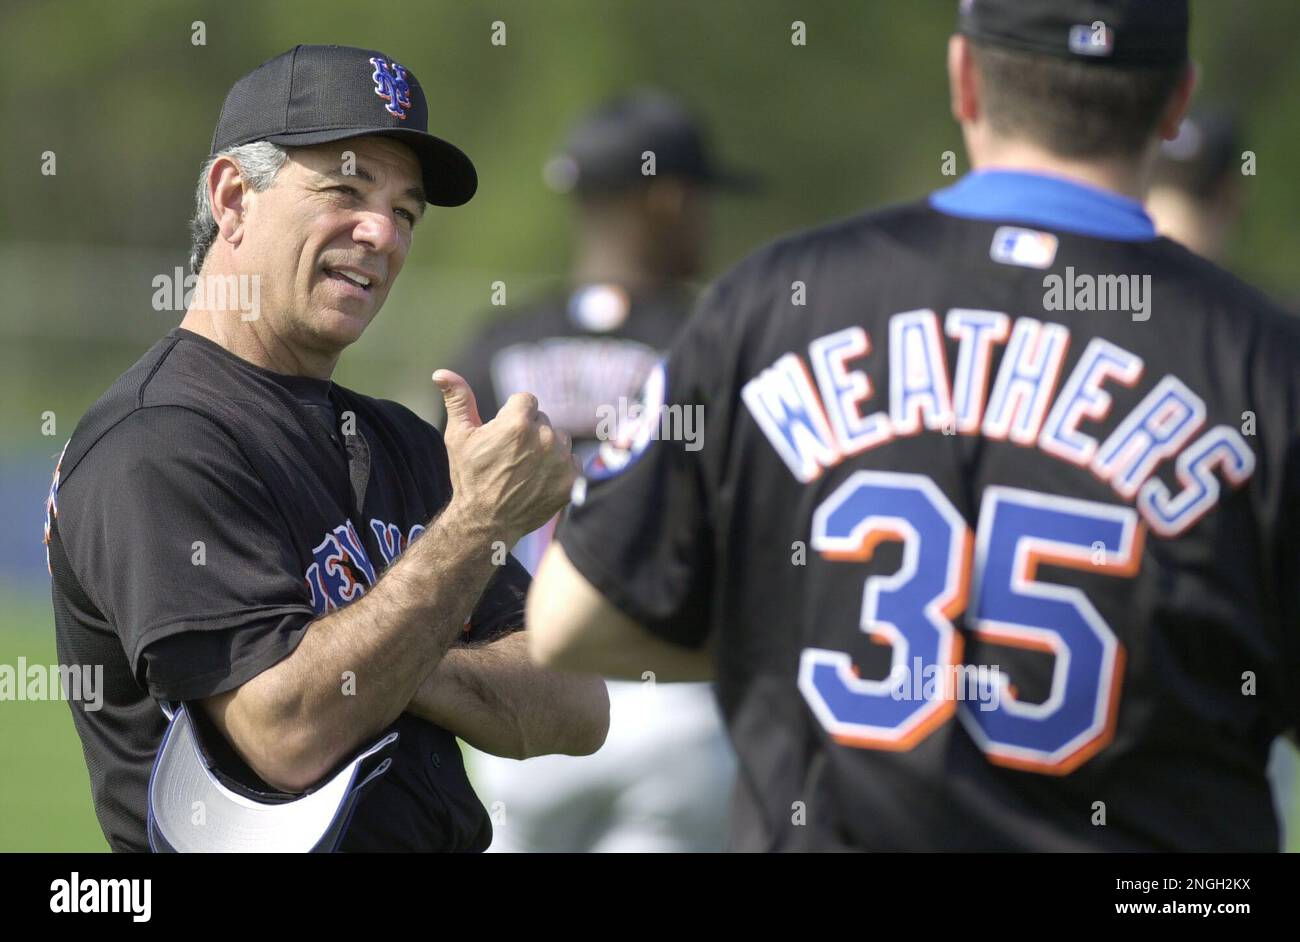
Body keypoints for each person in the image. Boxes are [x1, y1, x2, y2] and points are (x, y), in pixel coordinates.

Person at [527, 0, 1300, 851]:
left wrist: (820, 634)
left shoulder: (778, 298)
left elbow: (570, 620)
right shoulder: (1263, 361)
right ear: (1177, 101)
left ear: (964, 76)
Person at [46, 43, 607, 853]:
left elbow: (578, 707)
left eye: (406, 211)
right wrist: (477, 527)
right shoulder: (156, 439)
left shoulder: (401, 441)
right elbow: (285, 732)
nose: (381, 232)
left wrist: (388, 663)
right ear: (234, 197)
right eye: (345, 188)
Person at [453, 91, 751, 851]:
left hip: (521, 705)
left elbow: (443, 525)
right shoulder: (712, 335)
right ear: (668, 199)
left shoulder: (497, 343)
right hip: (673, 706)